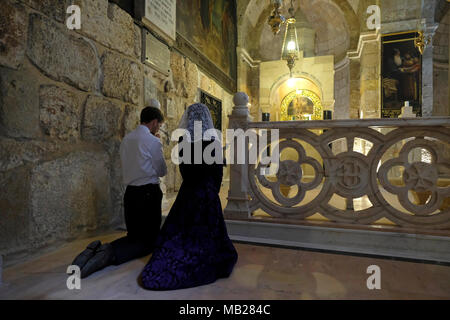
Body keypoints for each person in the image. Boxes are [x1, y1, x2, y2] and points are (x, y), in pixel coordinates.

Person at [140, 103, 238, 290]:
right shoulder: (213, 142)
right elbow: (217, 175)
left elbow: (185, 172)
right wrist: (211, 192)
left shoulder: (183, 144)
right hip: (207, 196)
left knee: (179, 232)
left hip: (187, 195)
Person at [71, 106, 167, 278]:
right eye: (159, 125)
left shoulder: (127, 139)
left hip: (130, 193)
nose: (158, 129)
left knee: (134, 236)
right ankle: (107, 255)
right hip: (148, 193)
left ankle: (98, 249)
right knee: (148, 242)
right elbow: (161, 171)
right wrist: (158, 144)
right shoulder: (153, 141)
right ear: (154, 123)